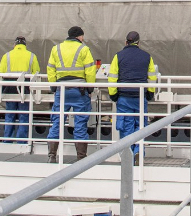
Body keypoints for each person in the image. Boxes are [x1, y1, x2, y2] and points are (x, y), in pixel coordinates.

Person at [46, 26, 96, 163]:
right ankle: (81, 157)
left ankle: (52, 155)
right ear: (80, 37)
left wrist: (53, 86)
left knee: (57, 121)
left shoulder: (56, 49)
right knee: (80, 122)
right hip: (80, 90)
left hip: (61, 89)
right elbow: (90, 71)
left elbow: (50, 69)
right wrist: (90, 88)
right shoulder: (83, 49)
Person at [108, 31, 158, 164]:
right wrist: (150, 93)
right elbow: (152, 77)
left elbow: (112, 78)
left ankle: (128, 154)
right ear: (138, 42)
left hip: (124, 97)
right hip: (140, 97)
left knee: (126, 126)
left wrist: (113, 94)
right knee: (140, 125)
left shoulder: (118, 56)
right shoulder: (147, 57)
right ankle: (138, 152)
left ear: (126, 42)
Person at [0, 36, 40, 142]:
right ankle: (22, 141)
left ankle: (7, 140)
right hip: (25, 89)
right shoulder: (31, 56)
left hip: (9, 87)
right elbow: (36, 72)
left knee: (10, 115)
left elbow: (1, 71)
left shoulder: (6, 55)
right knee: (24, 115)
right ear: (25, 45)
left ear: (14, 45)